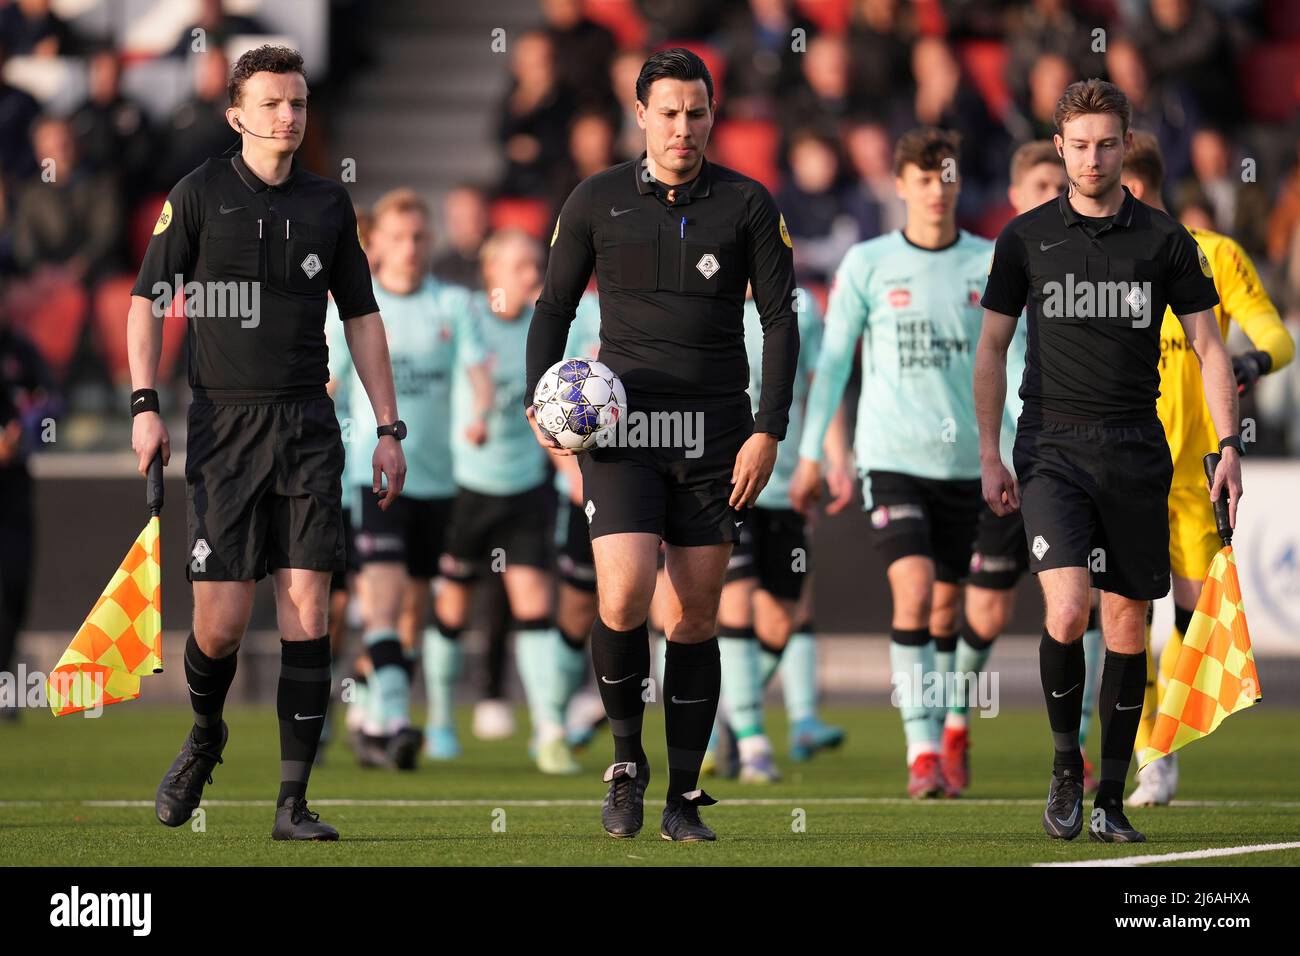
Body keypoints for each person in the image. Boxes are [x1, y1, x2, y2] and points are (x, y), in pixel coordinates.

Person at [128, 46, 405, 841]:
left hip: (309, 427)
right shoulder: (200, 194)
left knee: (308, 609)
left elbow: (362, 318)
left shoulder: (328, 203)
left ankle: (292, 802)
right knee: (218, 622)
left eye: (300, 103)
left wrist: (387, 428)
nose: (290, 116)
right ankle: (207, 733)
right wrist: (145, 404)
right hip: (223, 427)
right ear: (238, 116)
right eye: (275, 104)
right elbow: (148, 301)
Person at [525, 48, 799, 841]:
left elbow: (781, 321)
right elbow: (551, 306)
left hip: (716, 434)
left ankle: (683, 798)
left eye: (699, 112)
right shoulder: (594, 199)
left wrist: (767, 429)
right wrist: (539, 398)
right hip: (621, 426)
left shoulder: (748, 204)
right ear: (640, 113)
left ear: (712, 116)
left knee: (695, 616)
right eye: (670, 112)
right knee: (622, 595)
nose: (685, 126)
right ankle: (623, 765)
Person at [977, 78, 1240, 844]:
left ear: (1128, 146)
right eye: (1079, 145)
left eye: (1106, 143)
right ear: (1058, 148)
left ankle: (1111, 797)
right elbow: (992, 347)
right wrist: (992, 453)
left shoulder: (1165, 240)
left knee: (1129, 630)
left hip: (1135, 448)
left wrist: (1228, 447)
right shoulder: (1023, 238)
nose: (1092, 158)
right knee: (1067, 609)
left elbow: (1208, 344)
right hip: (1050, 446)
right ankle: (1067, 762)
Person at [792, 127, 993, 799]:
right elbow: (833, 363)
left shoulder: (989, 263)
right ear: (900, 186)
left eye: (947, 176)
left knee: (947, 611)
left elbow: (1015, 361)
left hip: (967, 462)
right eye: (923, 177)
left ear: (958, 183)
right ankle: (921, 750)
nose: (936, 189)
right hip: (892, 456)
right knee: (912, 592)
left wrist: (1010, 447)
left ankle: (949, 724)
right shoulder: (868, 264)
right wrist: (820, 450)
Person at [1119, 131, 1293, 806]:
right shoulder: (1098, 261)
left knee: (1186, 628)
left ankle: (1162, 744)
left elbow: (1274, 333)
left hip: (1194, 477)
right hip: (1124, 469)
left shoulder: (1213, 255)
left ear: (1136, 187)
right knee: (1125, 619)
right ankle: (1149, 753)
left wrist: (1251, 362)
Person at [328, 188, 491, 769]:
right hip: (369, 476)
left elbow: (479, 377)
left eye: (421, 236)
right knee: (381, 599)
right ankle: (397, 720)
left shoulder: (453, 304)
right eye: (398, 237)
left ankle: (369, 716)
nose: (411, 247)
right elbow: (328, 384)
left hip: (438, 480)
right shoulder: (355, 311)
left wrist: (478, 417)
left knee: (412, 612)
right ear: (374, 245)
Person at [956, 142, 1088, 794]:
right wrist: (994, 453)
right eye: (1040, 183)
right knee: (984, 614)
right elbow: (988, 364)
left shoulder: (1089, 264)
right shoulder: (1001, 263)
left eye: (1057, 184)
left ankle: (1080, 746)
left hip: (1065, 464)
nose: (1051, 194)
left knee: (1079, 605)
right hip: (1011, 463)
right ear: (1014, 194)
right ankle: (955, 721)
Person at [437, 229, 575, 774]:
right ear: (492, 272)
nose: (531, 275)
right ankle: (443, 722)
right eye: (519, 266)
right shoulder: (468, 315)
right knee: (452, 606)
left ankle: (549, 730)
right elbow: (468, 374)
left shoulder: (546, 329)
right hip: (466, 485)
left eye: (534, 265)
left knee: (534, 607)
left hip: (525, 485)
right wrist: (475, 415)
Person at [715, 282, 849, 783]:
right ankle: (752, 743)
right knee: (736, 603)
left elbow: (821, 386)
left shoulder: (801, 306)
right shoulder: (708, 295)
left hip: (786, 483)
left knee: (780, 623)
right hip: (722, 482)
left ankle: (728, 712)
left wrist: (836, 457)